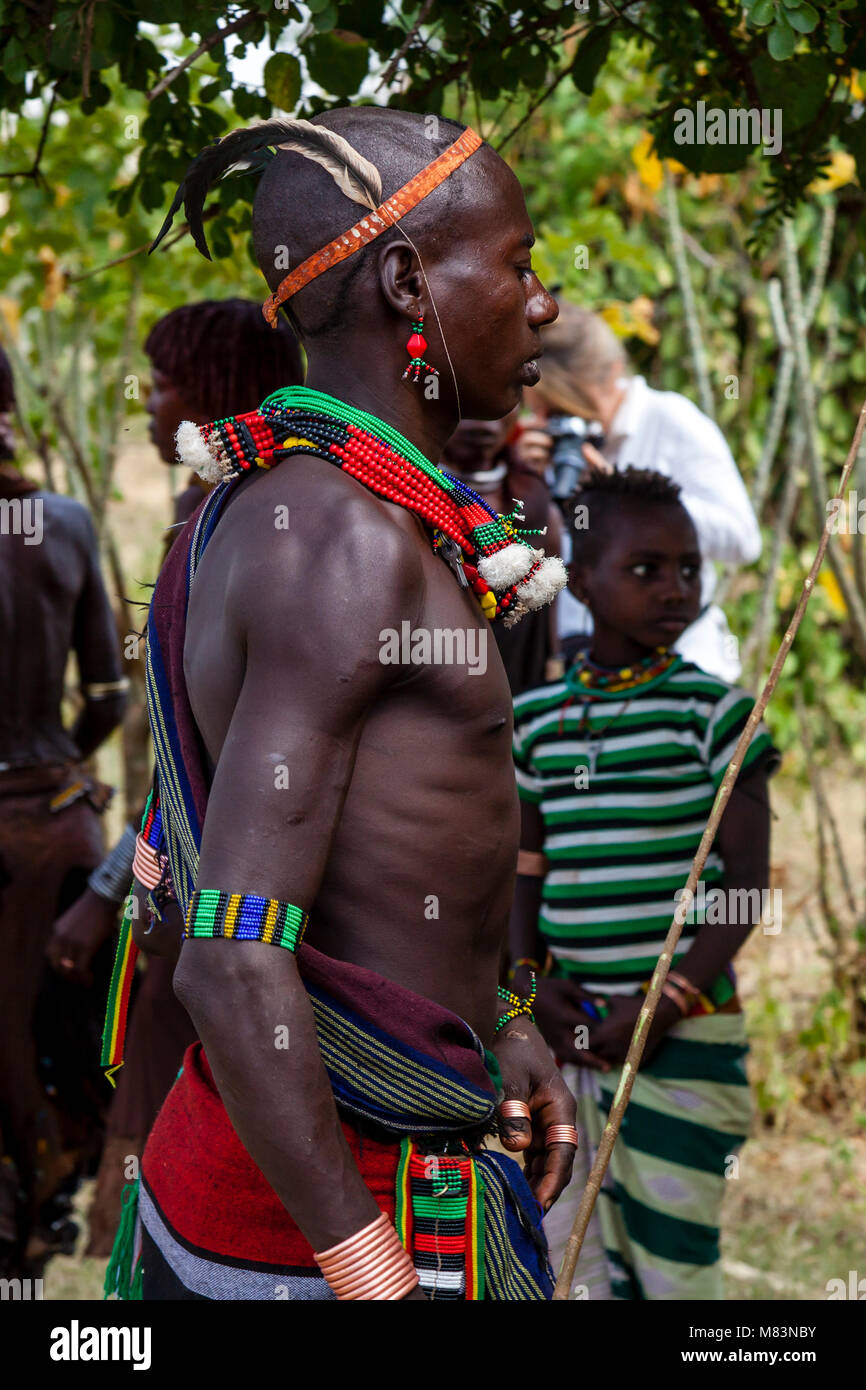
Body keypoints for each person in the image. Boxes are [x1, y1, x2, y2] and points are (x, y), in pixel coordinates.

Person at [107, 109, 577, 1302]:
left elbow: (414, 854)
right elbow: (228, 957)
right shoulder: (341, 540)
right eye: (518, 262)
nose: (544, 304)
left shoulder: (336, 509)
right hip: (307, 1240)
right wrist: (372, 1274)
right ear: (408, 279)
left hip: (323, 1197)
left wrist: (507, 1021)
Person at [48, 300, 304, 1257]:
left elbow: (202, 756)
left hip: (213, 901)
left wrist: (124, 886)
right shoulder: (234, 514)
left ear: (213, 396)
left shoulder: (226, 527)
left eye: (164, 386)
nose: (151, 407)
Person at [509, 467, 779, 1300]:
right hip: (573, 1030)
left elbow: (745, 886)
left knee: (672, 1260)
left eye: (689, 569)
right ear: (582, 583)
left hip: (683, 1038)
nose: (676, 589)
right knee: (571, 1257)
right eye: (645, 569)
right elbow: (524, 875)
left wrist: (669, 1004)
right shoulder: (537, 720)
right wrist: (528, 991)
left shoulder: (717, 715)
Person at [0, 346, 126, 1276]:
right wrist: (61, 771)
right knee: (49, 1045)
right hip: (59, 825)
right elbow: (112, 698)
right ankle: (43, 1214)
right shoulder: (66, 523)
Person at [518, 302, 761, 682]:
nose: (559, 424)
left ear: (608, 377)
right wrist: (525, 484)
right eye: (546, 414)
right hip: (582, 671)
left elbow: (743, 541)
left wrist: (628, 497)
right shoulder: (545, 449)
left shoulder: (669, 420)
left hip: (680, 663)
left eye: (565, 410)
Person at [440, 413, 563, 695]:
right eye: (467, 406)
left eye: (493, 409)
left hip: (523, 694)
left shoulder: (535, 499)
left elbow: (549, 621)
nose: (482, 420)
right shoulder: (407, 491)